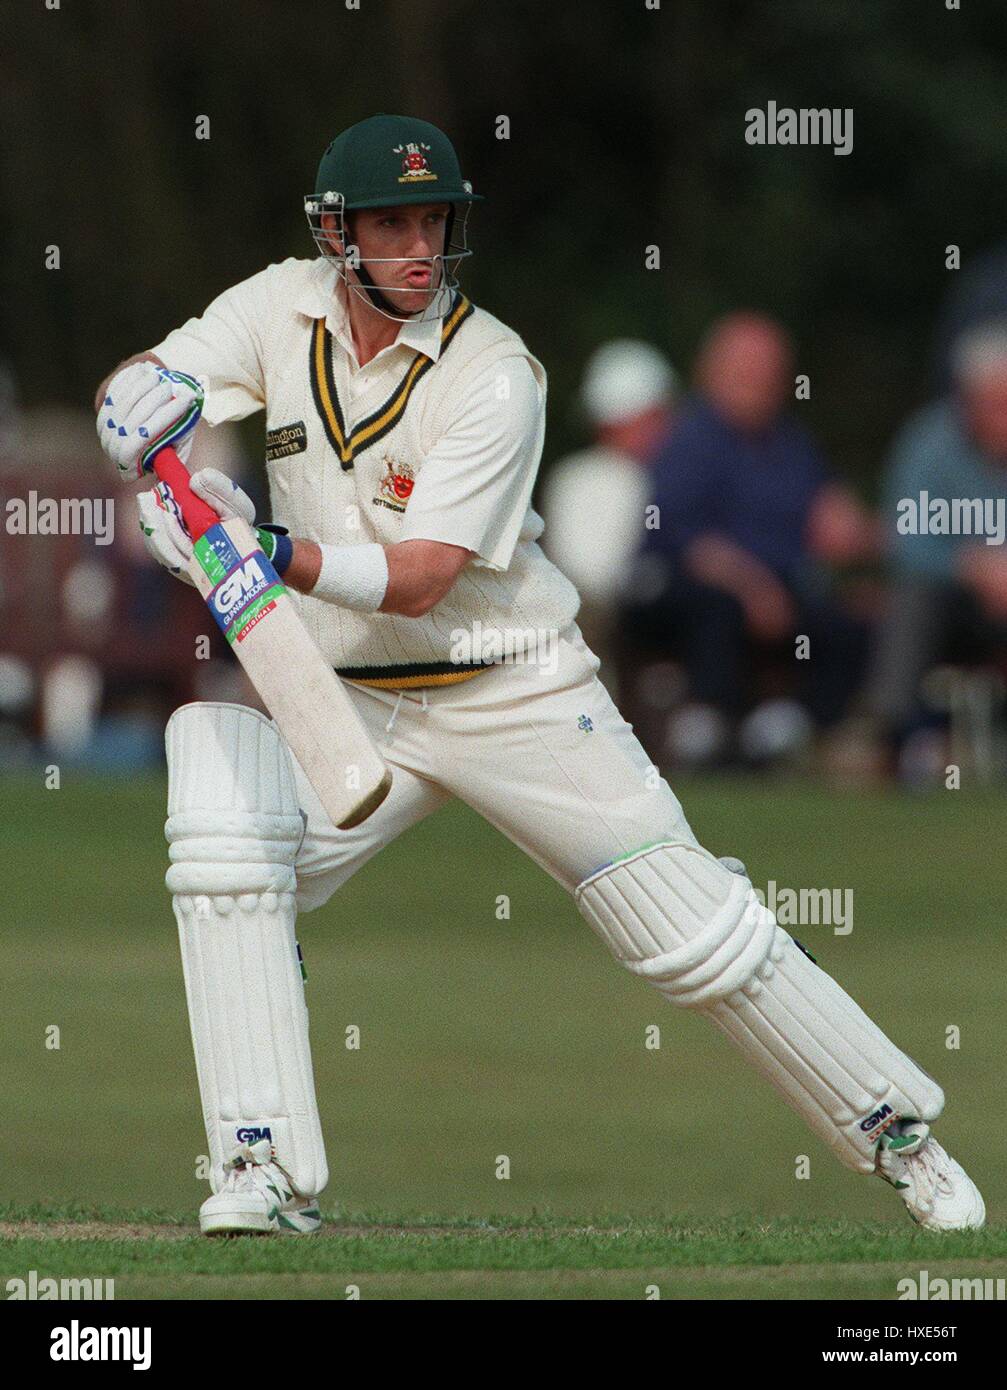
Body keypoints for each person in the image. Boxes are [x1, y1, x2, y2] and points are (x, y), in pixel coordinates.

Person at [95, 115, 982, 1236]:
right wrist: (137, 422)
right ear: (335, 234)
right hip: (354, 699)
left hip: (511, 686)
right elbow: (156, 383)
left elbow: (419, 577)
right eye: (390, 223)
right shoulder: (275, 305)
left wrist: (262, 551)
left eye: (433, 220)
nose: (417, 245)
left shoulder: (496, 372)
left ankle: (898, 1134)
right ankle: (259, 1171)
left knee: (683, 924)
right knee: (225, 837)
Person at [624, 313, 876, 766]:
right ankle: (709, 723)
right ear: (712, 371)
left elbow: (832, 519)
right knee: (719, 608)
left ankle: (791, 725)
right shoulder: (689, 440)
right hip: (690, 589)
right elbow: (681, 536)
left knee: (850, 620)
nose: (760, 384)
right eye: (747, 372)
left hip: (781, 588)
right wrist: (752, 586)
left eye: (770, 373)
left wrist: (858, 531)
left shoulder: (792, 444)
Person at [862, 321, 1007, 758]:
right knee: (912, 598)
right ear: (967, 399)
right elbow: (905, 543)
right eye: (993, 405)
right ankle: (887, 739)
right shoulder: (928, 445)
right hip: (952, 603)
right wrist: (972, 566)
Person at [540, 339, 677, 667]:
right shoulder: (576, 478)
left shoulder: (676, 477)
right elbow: (581, 569)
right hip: (596, 620)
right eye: (651, 417)